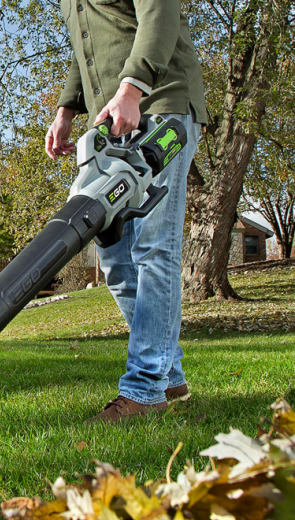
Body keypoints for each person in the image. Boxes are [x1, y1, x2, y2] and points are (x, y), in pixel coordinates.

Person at [44, 0, 207, 424]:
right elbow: (87, 45)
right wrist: (66, 110)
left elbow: (161, 11)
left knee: (155, 247)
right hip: (114, 122)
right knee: (113, 255)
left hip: (161, 106)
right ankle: (169, 374)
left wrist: (133, 88)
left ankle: (146, 388)